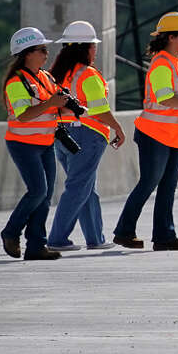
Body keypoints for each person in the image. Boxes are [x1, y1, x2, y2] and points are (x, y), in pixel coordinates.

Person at [113, 11, 178, 251]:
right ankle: (124, 232)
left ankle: (165, 236)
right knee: (149, 183)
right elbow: (166, 99)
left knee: (167, 187)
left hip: (175, 136)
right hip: (154, 135)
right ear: (171, 37)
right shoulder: (161, 64)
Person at [46, 21, 125, 253]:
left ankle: (95, 238)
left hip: (61, 136)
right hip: (86, 135)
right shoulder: (87, 74)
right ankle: (57, 238)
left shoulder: (56, 75)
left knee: (85, 187)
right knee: (78, 187)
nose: (95, 49)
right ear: (85, 48)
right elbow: (100, 110)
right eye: (93, 45)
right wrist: (118, 128)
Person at [0, 27, 67, 260]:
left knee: (46, 195)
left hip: (45, 142)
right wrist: (52, 103)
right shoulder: (16, 82)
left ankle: (37, 246)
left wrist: (69, 105)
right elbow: (24, 115)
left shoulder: (45, 77)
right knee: (37, 190)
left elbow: (55, 103)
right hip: (23, 144)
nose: (47, 53)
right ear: (27, 53)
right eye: (42, 49)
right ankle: (10, 232)